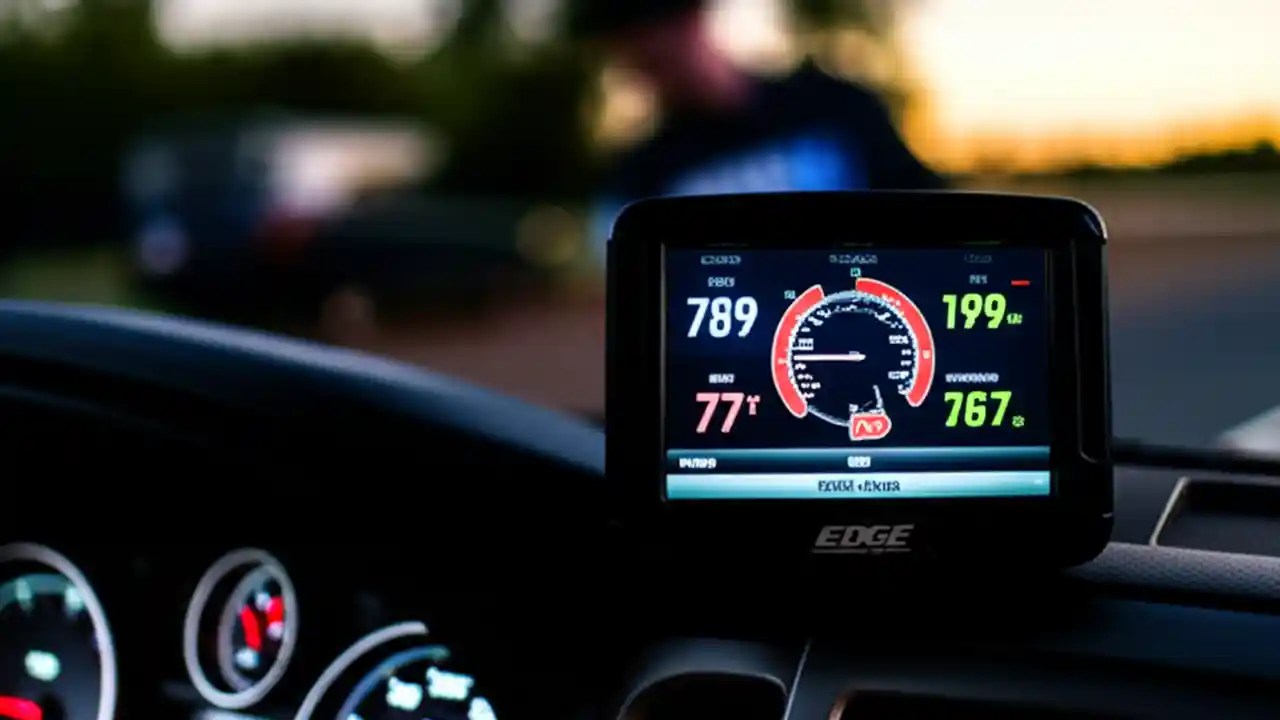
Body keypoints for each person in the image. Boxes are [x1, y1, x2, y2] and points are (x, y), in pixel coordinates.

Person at [573, 0, 945, 263]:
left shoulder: (836, 108)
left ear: (695, 18)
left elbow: (929, 211)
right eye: (639, 64)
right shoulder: (641, 174)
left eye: (660, 55)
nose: (652, 73)